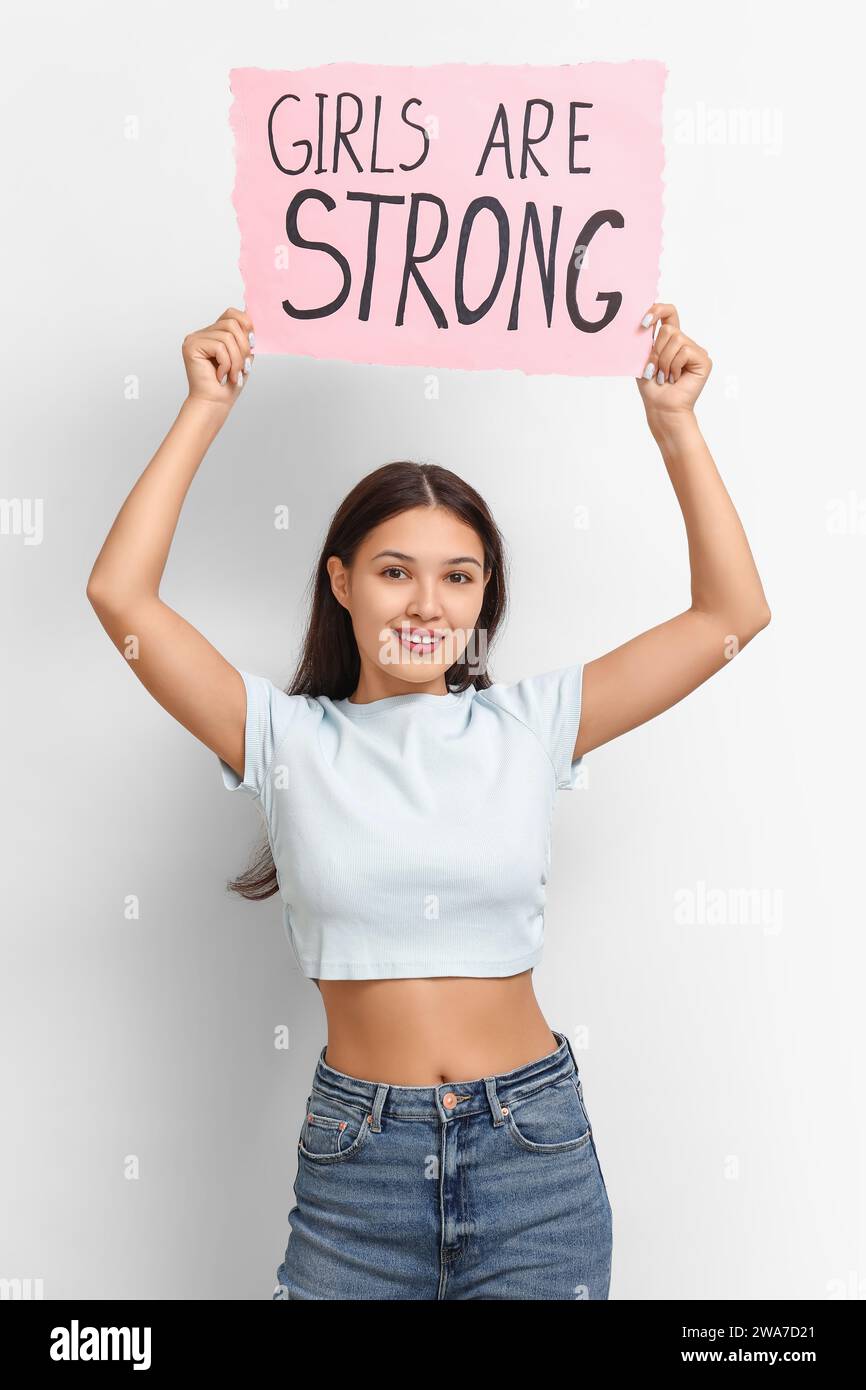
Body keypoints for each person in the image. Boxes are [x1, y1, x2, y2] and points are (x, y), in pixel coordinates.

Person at [86, 302, 771, 1300]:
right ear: (341, 584)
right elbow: (121, 597)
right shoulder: (283, 738)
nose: (425, 604)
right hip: (356, 1169)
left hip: (531, 1154)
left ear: (482, 597)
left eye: (457, 577)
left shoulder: (530, 725)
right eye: (394, 572)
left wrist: (674, 424)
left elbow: (729, 615)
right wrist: (203, 406)